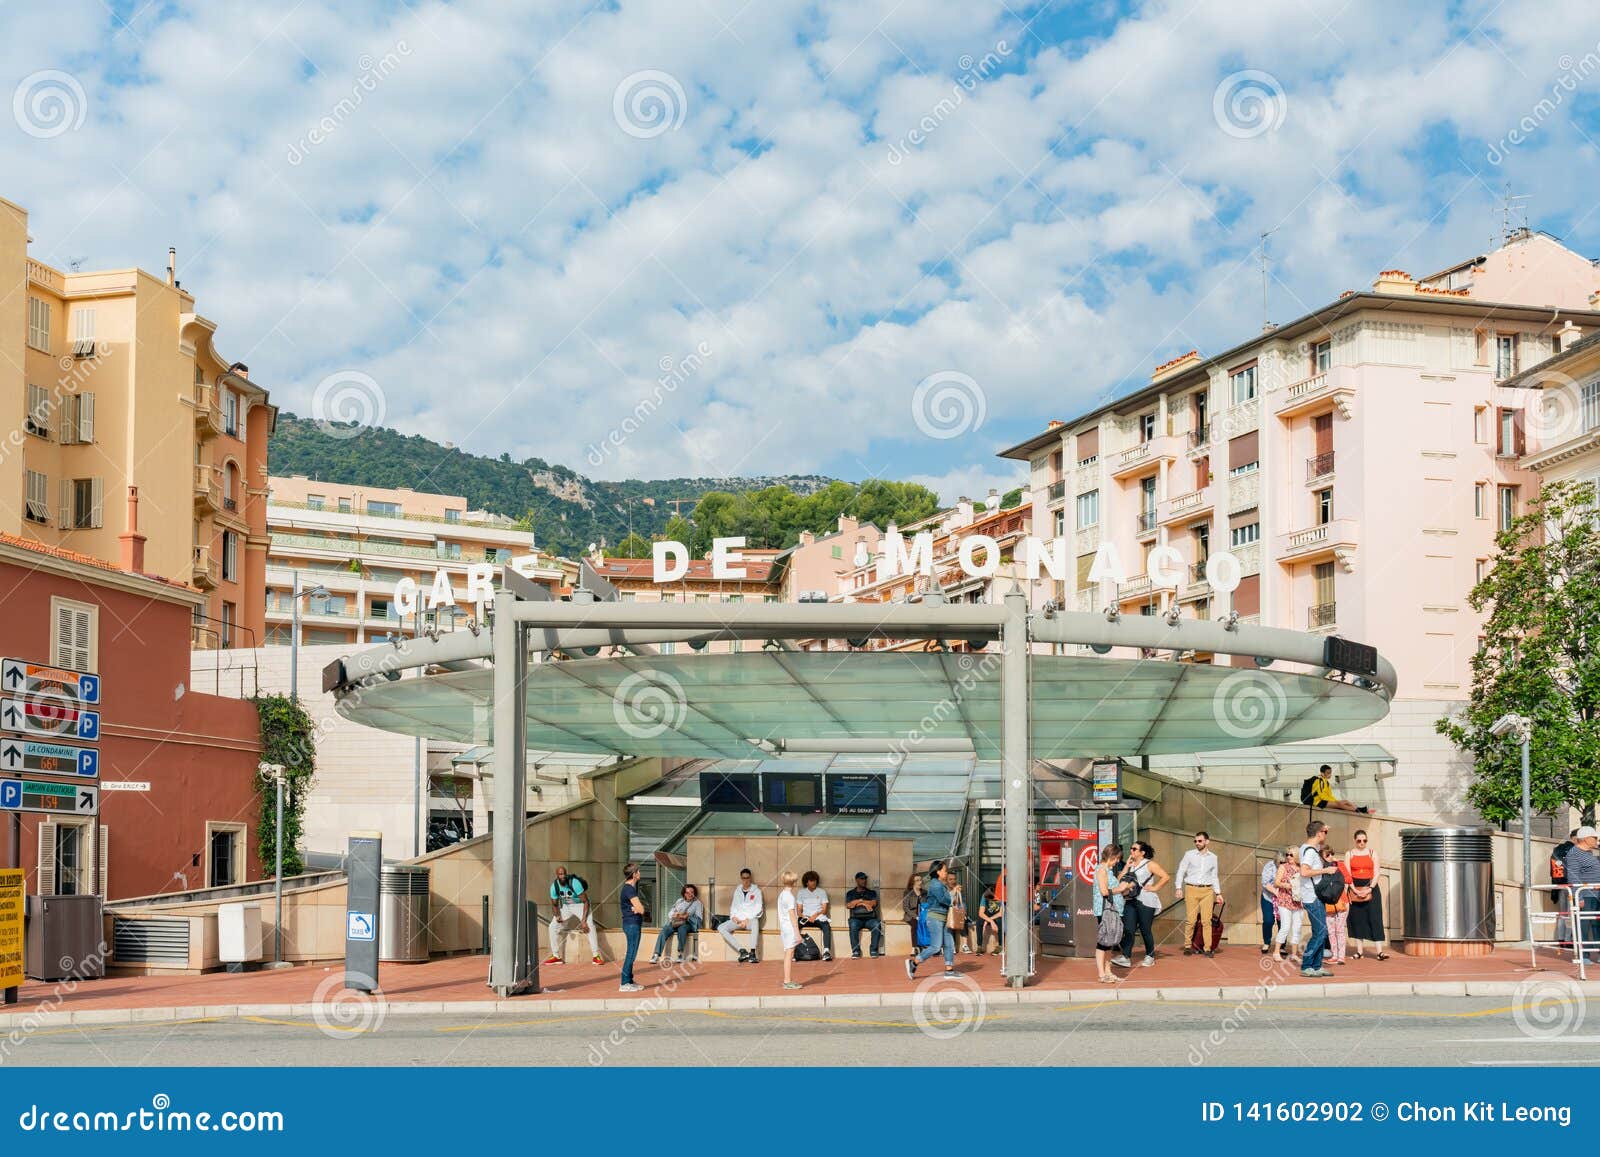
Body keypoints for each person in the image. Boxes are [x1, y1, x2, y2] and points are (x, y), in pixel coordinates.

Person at [1112, 841, 1169, 969]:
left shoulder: (1150, 864)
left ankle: (1150, 955)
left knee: (1145, 929)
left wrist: (1155, 887)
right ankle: (1126, 957)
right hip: (1131, 900)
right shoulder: (1131, 864)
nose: (1131, 851)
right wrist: (1126, 866)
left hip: (1146, 901)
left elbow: (1165, 877)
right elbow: (1119, 880)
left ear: (1142, 853)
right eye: (1131, 848)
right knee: (1128, 929)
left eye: (1134, 849)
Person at [1298, 820, 1338, 978]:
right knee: (1320, 932)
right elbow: (1304, 872)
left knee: (1321, 931)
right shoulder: (1308, 851)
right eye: (1324, 832)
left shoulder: (1307, 848)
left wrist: (1324, 828)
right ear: (1319, 833)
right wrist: (1326, 869)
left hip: (1314, 895)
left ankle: (1316, 965)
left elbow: (1317, 842)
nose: (1326, 835)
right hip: (1312, 897)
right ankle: (1307, 965)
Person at [1174, 830, 1222, 958]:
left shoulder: (1213, 857)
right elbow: (1181, 871)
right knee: (1191, 920)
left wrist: (1218, 893)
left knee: (1207, 921)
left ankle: (1207, 949)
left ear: (1207, 841)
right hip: (1191, 889)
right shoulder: (1189, 855)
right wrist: (1178, 887)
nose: (1197, 843)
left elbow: (1214, 876)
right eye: (1195, 841)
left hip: (1207, 890)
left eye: (1200, 841)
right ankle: (1187, 946)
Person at [544, 865, 603, 965]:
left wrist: (583, 921)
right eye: (560, 874)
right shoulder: (554, 886)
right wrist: (557, 915)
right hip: (567, 906)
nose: (562, 876)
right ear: (557, 875)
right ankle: (556, 956)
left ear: (566, 874)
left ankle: (596, 956)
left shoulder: (574, 883)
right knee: (552, 926)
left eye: (564, 874)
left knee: (589, 926)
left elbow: (586, 902)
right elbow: (554, 904)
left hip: (581, 905)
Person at [907, 861, 957, 980]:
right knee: (935, 947)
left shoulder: (941, 884)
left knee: (949, 944)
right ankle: (914, 962)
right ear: (938, 872)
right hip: (935, 919)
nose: (946, 872)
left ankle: (949, 970)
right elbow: (945, 900)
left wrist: (952, 893)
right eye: (945, 870)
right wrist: (953, 892)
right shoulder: (935, 885)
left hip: (944, 919)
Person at [1345, 829, 1388, 960]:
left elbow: (1377, 873)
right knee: (1358, 919)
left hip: (1371, 887)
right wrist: (1354, 889)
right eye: (1359, 840)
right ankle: (1359, 951)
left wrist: (1370, 888)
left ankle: (1379, 951)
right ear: (1355, 840)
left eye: (1364, 840)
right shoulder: (1349, 853)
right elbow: (1347, 874)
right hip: (1355, 887)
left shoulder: (1372, 853)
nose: (1362, 843)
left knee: (1375, 918)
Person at [1564, 826, 1600, 960]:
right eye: (1594, 838)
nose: (1597, 840)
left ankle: (1598, 952)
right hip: (1585, 894)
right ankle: (1583, 955)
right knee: (1583, 925)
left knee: (1597, 924)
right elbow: (1573, 876)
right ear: (1585, 839)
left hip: (1596, 894)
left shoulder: (1589, 853)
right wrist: (1578, 896)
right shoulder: (1574, 853)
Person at [1093, 844, 1126, 983]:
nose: (1118, 861)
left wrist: (1126, 870)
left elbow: (1112, 885)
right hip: (1104, 909)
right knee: (1103, 942)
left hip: (1112, 909)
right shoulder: (1102, 870)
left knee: (1110, 942)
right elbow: (1104, 891)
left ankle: (1108, 972)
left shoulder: (1108, 869)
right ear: (1112, 857)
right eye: (1117, 858)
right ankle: (1102, 974)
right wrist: (1121, 889)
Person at [651, 883, 704, 964]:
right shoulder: (679, 901)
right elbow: (671, 912)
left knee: (682, 928)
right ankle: (656, 955)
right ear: (684, 894)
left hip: (687, 924)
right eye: (687, 893)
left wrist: (687, 917)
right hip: (676, 922)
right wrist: (674, 915)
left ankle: (680, 954)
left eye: (692, 892)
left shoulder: (697, 903)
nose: (690, 894)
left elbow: (699, 919)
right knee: (665, 929)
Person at [719, 867, 763, 963]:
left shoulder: (757, 891)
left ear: (750, 878)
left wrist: (747, 920)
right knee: (721, 927)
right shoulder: (738, 890)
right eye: (743, 878)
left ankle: (752, 953)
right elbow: (733, 906)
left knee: (755, 921)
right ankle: (742, 951)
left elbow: (758, 908)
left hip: (749, 921)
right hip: (738, 920)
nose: (745, 880)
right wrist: (733, 917)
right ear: (741, 878)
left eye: (747, 878)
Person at [1271, 847, 1303, 962]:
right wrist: (1288, 885)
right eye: (1287, 854)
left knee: (1297, 928)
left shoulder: (1301, 869)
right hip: (1284, 900)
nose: (1288, 857)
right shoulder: (1283, 867)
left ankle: (1294, 954)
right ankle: (1276, 952)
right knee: (1285, 926)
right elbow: (1276, 883)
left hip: (1298, 901)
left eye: (1291, 855)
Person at [618, 861, 647, 992]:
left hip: (632, 924)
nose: (640, 873)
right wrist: (638, 909)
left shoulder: (630, 888)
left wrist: (637, 909)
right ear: (634, 874)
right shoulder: (629, 889)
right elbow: (641, 909)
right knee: (631, 954)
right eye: (638, 872)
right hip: (632, 925)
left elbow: (638, 909)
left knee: (632, 953)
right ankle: (624, 983)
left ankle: (629, 980)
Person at [795, 870, 834, 961]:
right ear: (806, 882)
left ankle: (826, 952)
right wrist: (805, 917)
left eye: (815, 880)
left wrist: (815, 915)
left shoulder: (822, 892)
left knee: (826, 926)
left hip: (818, 917)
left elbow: (824, 910)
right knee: (794, 926)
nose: (813, 882)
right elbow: (799, 911)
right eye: (811, 880)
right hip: (805, 918)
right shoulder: (801, 892)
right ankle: (794, 951)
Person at [844, 872, 885, 958]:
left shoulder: (872, 892)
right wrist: (865, 903)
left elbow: (874, 903)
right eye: (862, 879)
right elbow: (849, 905)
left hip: (870, 919)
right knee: (853, 925)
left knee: (877, 924)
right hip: (856, 918)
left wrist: (858, 902)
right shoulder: (850, 893)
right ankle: (856, 951)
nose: (864, 880)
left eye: (865, 878)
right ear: (857, 880)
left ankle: (873, 950)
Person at [1301, 764, 1368, 813]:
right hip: (1318, 802)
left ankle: (1358, 808)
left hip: (1324, 801)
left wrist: (1335, 800)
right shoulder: (1318, 780)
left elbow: (1329, 795)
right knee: (1339, 804)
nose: (1330, 775)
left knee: (1345, 801)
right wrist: (1335, 801)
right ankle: (1357, 810)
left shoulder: (1326, 782)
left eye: (1330, 773)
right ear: (1322, 773)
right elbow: (1322, 795)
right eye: (1328, 773)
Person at [777, 870, 803, 990]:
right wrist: (797, 932)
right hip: (789, 928)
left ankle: (787, 980)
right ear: (795, 882)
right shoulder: (790, 897)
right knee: (789, 953)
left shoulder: (782, 894)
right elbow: (792, 915)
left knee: (788, 952)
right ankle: (787, 981)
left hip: (784, 927)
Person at [1324, 846, 1350, 965]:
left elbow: (1349, 879)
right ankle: (1334, 955)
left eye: (1331, 854)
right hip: (1328, 903)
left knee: (1339, 930)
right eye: (1326, 855)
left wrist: (1336, 875)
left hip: (1342, 901)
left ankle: (1341, 956)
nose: (1330, 857)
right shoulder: (1321, 868)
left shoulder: (1339, 864)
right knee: (1331, 930)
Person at [1258, 854, 1279, 954]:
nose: (1282, 864)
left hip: (1283, 899)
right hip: (1268, 897)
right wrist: (1276, 892)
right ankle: (1267, 942)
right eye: (1280, 862)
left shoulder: (1290, 866)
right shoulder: (1270, 866)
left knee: (1283, 922)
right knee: (1268, 920)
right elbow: (1265, 883)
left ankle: (1281, 945)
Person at [902, 872, 927, 956]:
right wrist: (916, 916)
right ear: (912, 882)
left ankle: (926, 946)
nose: (920, 882)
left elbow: (928, 905)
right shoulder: (908, 892)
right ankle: (914, 948)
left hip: (923, 914)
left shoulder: (924, 892)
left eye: (920, 880)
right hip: (911, 915)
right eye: (917, 880)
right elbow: (905, 907)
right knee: (915, 925)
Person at [976, 885, 1004, 955]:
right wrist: (990, 921)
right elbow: (981, 913)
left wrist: (990, 920)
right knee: (979, 921)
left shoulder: (1002, 896)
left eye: (991, 900)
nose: (989, 901)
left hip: (996, 916)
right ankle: (979, 946)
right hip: (988, 915)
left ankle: (1000, 946)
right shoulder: (984, 895)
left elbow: (1001, 913)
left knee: (1000, 921)